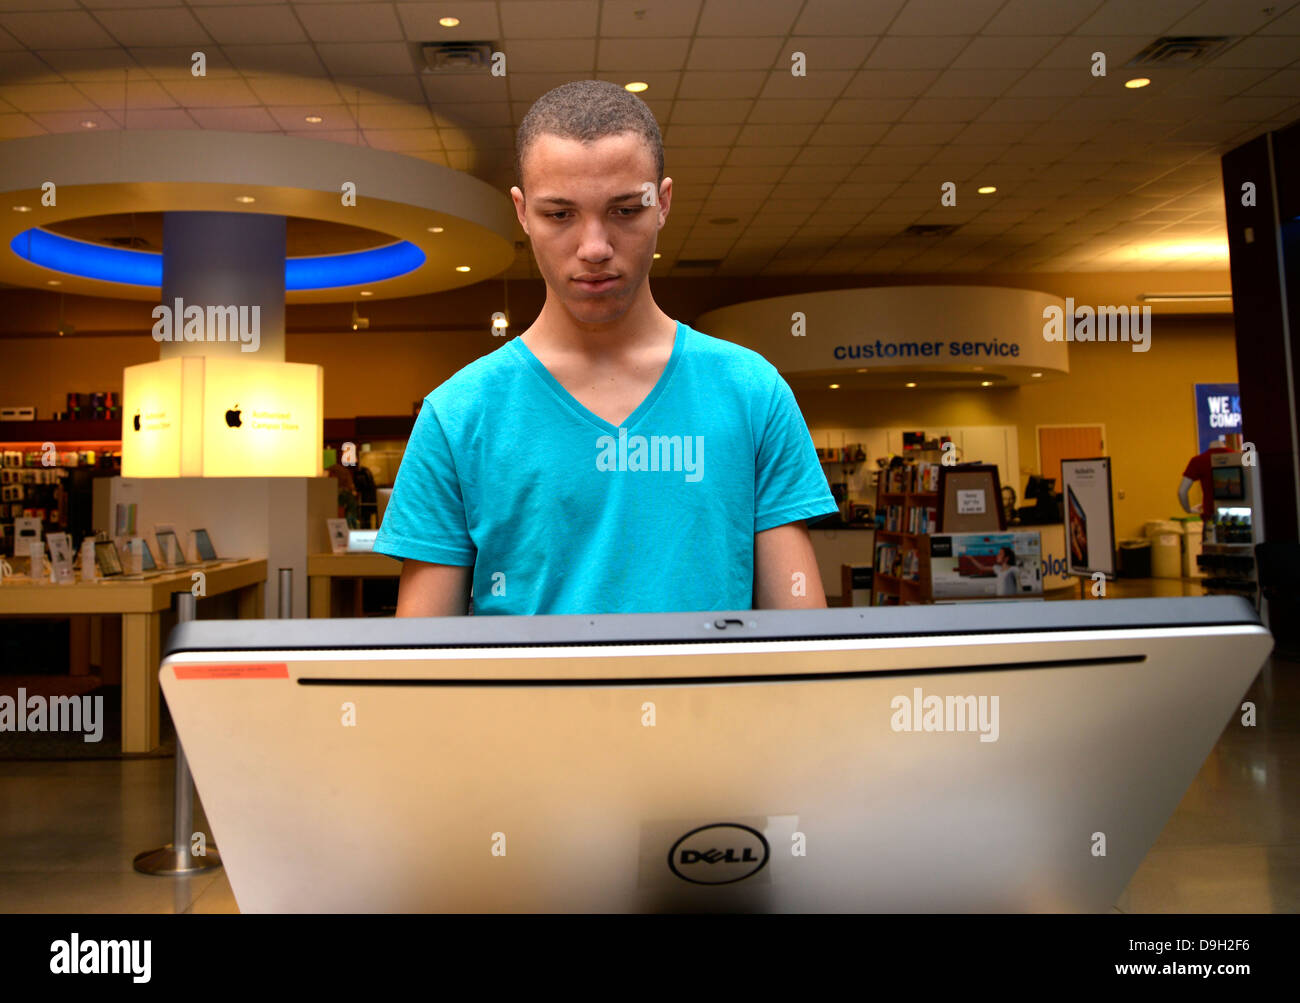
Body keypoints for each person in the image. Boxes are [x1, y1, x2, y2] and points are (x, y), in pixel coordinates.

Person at [375, 80, 839, 616]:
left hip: (713, 703)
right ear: (522, 213)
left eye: (624, 211)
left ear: (661, 203)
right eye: (559, 214)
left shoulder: (752, 394)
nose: (594, 248)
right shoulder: (458, 415)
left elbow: (801, 644)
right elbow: (425, 665)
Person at [1179, 435, 1234, 516]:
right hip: (1240, 513)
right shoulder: (1239, 457)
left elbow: (1181, 492)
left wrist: (1188, 510)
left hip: (1211, 515)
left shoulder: (1198, 461)